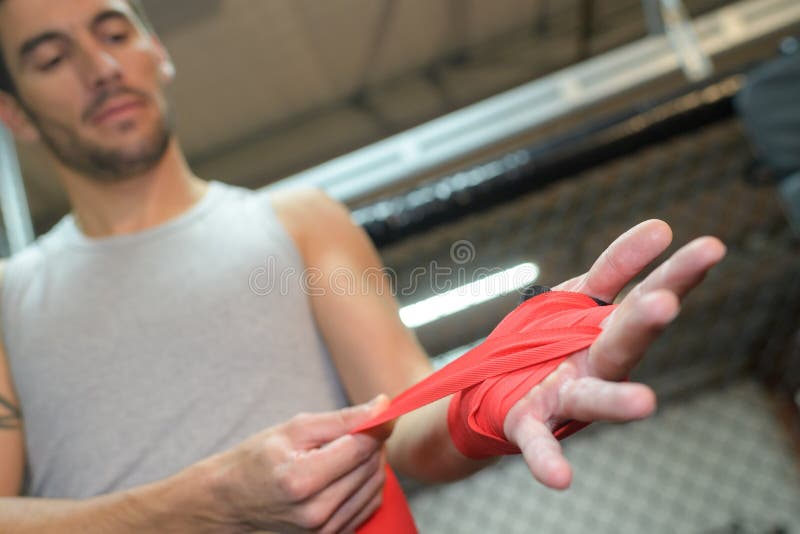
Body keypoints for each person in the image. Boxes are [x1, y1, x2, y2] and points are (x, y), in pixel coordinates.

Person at [0, 0, 726, 532]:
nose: (99, 68)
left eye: (114, 31)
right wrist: (198, 505)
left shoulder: (295, 222)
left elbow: (408, 421)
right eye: (51, 57)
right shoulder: (10, 297)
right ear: (15, 114)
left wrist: (490, 399)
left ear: (157, 50)